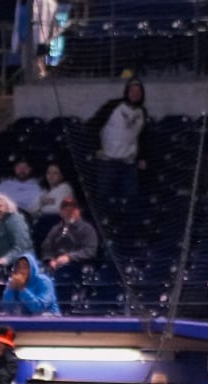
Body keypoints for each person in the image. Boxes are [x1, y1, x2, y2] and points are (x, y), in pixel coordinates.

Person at [91, 77, 149, 206]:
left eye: (138, 91)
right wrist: (96, 148)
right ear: (127, 91)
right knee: (104, 198)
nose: (135, 94)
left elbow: (143, 136)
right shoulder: (113, 106)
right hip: (108, 161)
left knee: (130, 199)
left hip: (129, 163)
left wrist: (142, 157)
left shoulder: (142, 112)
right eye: (132, 90)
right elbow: (93, 125)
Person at [38, 198, 99, 271]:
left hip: (78, 266)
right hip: (55, 267)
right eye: (66, 210)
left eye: (72, 210)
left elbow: (90, 250)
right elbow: (46, 247)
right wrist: (51, 259)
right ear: (61, 213)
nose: (69, 213)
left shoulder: (87, 229)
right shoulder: (56, 229)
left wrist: (69, 257)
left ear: (78, 211)